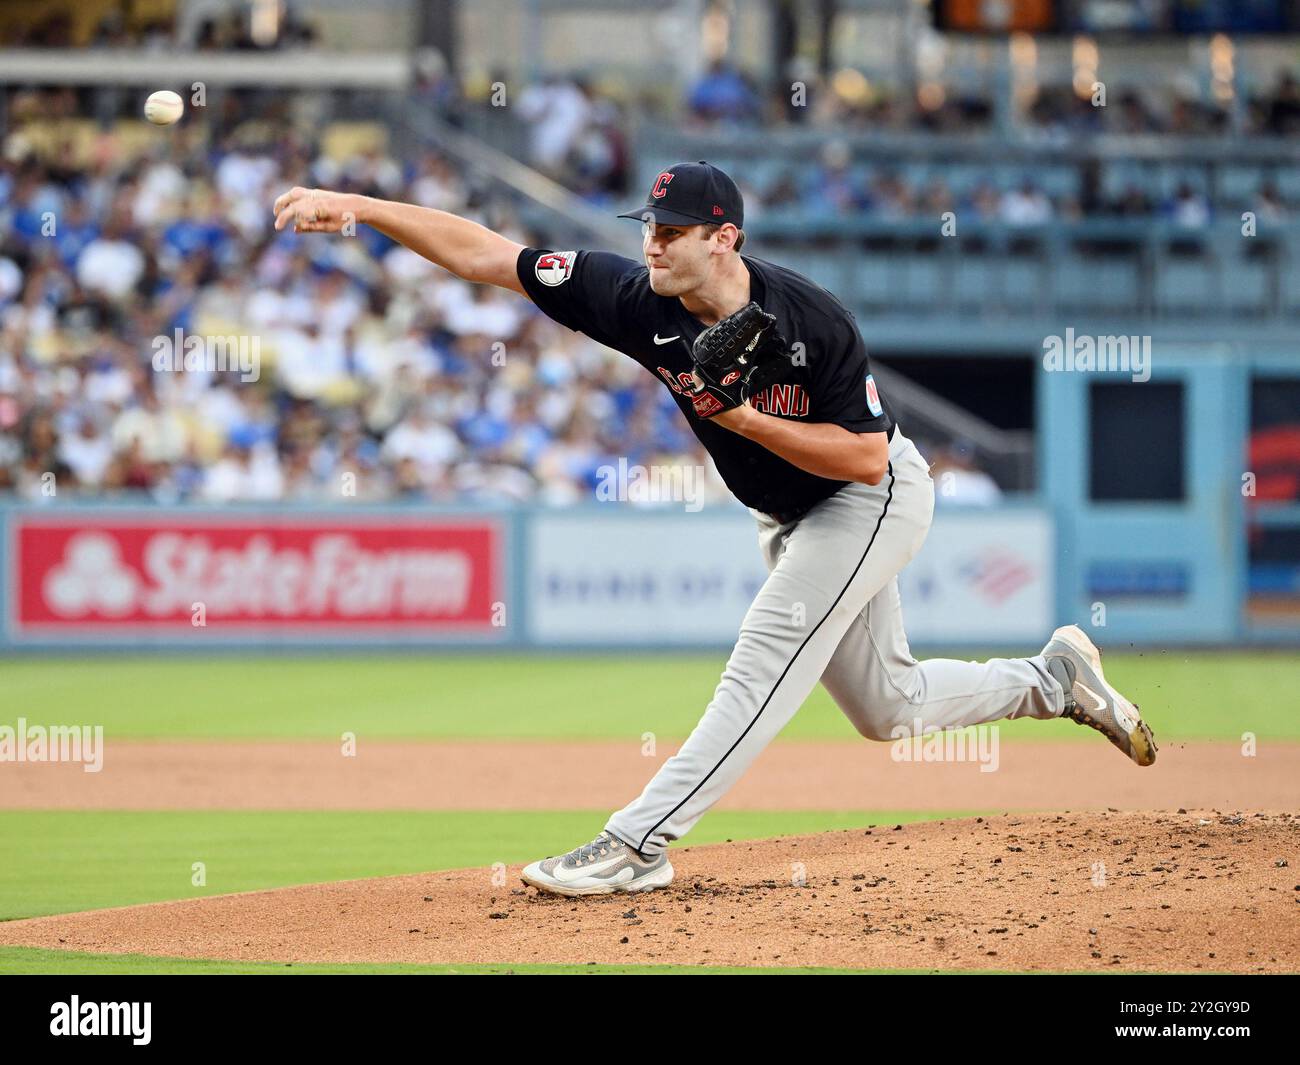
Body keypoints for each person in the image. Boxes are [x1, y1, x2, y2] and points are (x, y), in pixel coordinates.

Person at [272, 161, 1157, 898]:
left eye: (673, 228)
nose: (651, 241)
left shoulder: (812, 321)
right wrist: (360, 207)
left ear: (723, 237)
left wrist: (742, 421)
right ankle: (1053, 679)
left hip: (871, 497)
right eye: (649, 225)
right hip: (786, 513)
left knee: (765, 653)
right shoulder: (631, 298)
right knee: (891, 709)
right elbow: (489, 256)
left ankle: (637, 843)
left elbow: (864, 460)